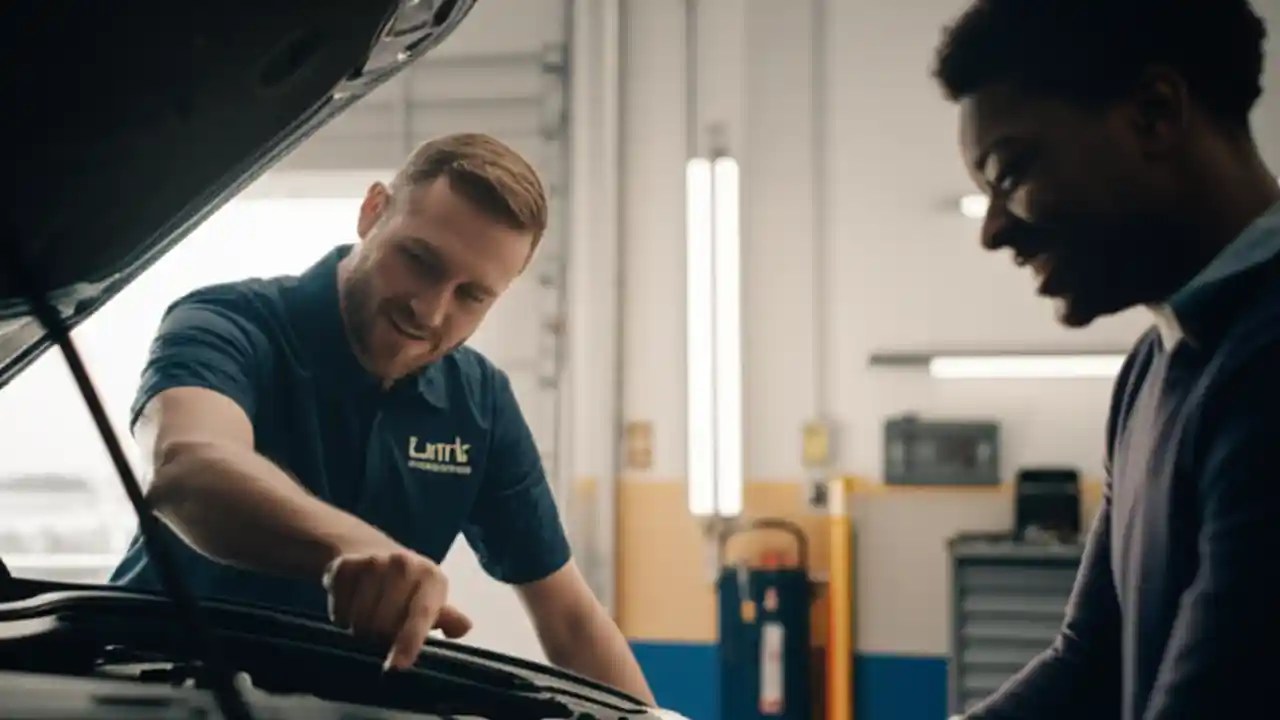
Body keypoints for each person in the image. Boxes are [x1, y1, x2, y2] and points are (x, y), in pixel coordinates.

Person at [108, 132, 655, 703]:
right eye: (419, 261)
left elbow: (568, 618)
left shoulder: (481, 404)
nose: (430, 309)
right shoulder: (229, 323)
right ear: (373, 212)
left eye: (472, 295)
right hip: (158, 690)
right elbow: (186, 468)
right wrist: (353, 545)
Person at [932, 1, 1280, 719]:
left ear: (1155, 114)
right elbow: (1091, 659)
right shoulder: (1154, 367)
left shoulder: (1267, 367)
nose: (994, 232)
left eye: (1011, 171)